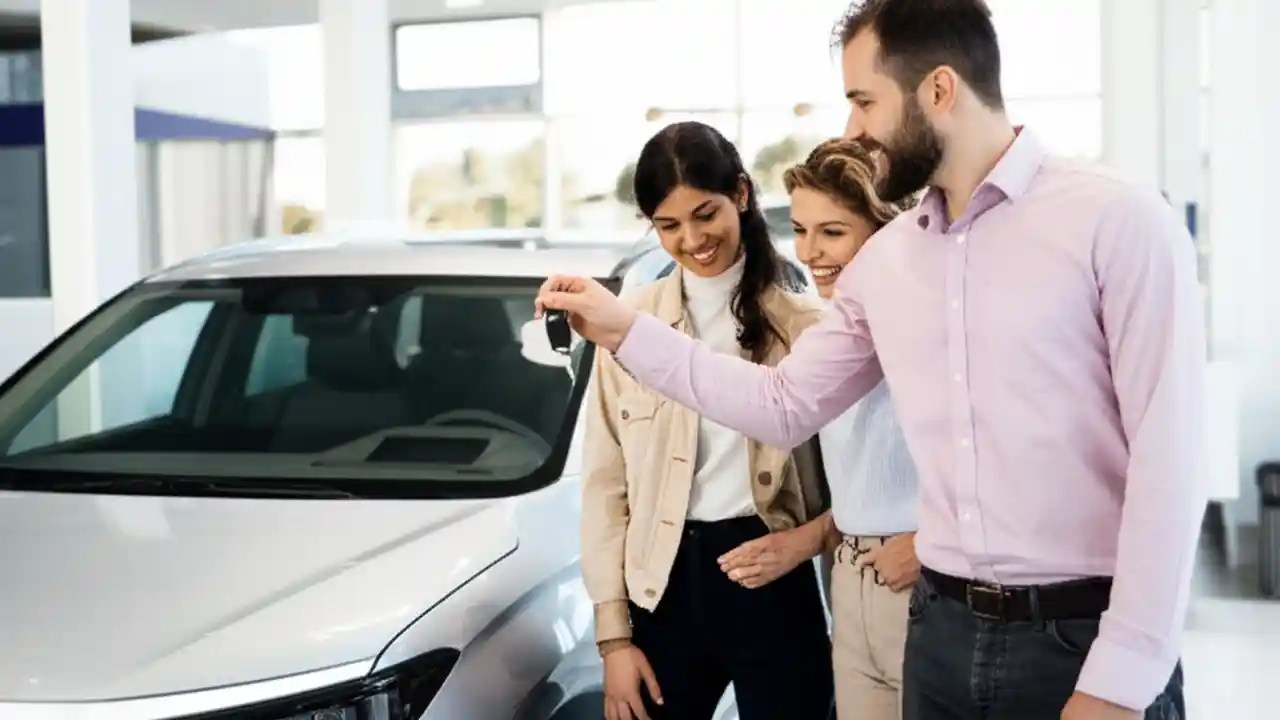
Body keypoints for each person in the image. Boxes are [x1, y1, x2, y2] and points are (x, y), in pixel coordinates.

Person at [537, 1, 1207, 719]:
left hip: (1083, 636)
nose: (852, 129)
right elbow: (782, 403)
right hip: (939, 634)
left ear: (939, 91)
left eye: (864, 101)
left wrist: (1121, 675)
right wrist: (621, 328)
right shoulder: (886, 264)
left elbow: (1169, 464)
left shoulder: (1118, 222)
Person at [581, 120, 834, 720]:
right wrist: (614, 639)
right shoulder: (627, 324)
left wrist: (802, 544)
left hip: (773, 575)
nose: (692, 238)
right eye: (668, 225)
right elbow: (604, 483)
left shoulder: (806, 327)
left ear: (741, 195)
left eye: (705, 213)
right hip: (661, 585)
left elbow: (861, 480)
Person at [717, 138, 920, 720]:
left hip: (923, 584)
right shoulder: (829, 336)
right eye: (801, 230)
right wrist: (813, 541)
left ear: (886, 231)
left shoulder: (928, 334)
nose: (809, 252)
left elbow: (998, 459)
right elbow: (861, 482)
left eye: (832, 232)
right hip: (848, 580)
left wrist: (931, 543)